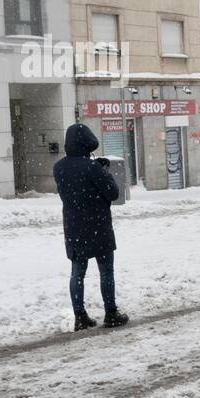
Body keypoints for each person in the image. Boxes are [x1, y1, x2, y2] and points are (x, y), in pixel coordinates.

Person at [54, 123, 128, 331]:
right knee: (106, 272)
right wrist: (104, 172)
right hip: (99, 227)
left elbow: (73, 187)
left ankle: (80, 316)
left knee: (77, 272)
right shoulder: (92, 167)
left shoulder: (59, 168)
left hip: (74, 227)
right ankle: (111, 313)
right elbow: (112, 193)